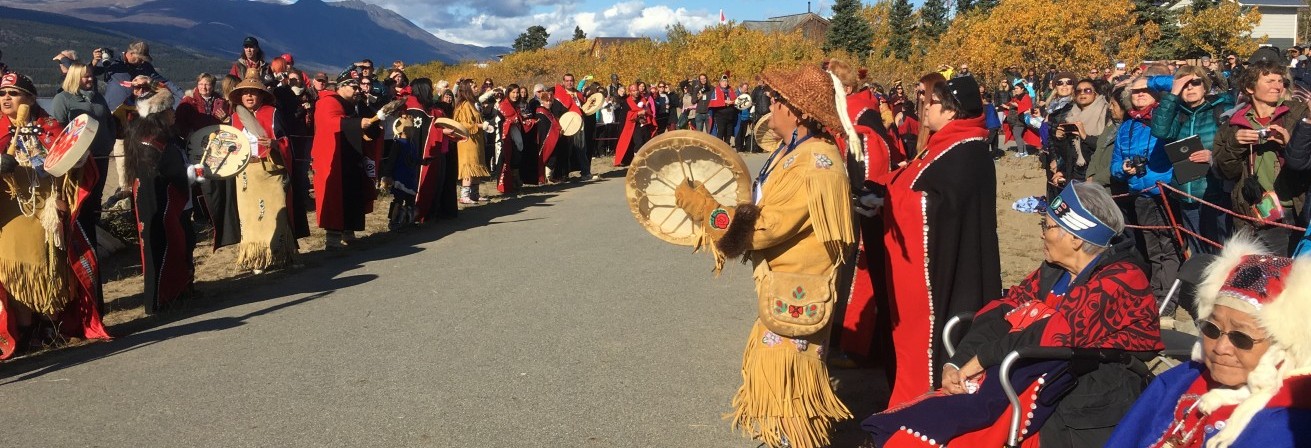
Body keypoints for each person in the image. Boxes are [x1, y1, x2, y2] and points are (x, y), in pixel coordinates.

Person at [864, 181, 1162, 448]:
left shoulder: (1122, 278)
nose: (1043, 235)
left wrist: (977, 362)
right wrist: (956, 363)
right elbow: (1001, 310)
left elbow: (1051, 334)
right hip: (1026, 374)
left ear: (1075, 239)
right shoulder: (1055, 272)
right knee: (922, 423)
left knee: (952, 432)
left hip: (1088, 395)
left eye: (1048, 226)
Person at [673, 63, 856, 448]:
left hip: (798, 291)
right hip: (784, 285)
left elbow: (766, 227)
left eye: (776, 100)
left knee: (790, 382)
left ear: (798, 111)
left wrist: (707, 210)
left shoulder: (815, 162)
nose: (769, 105)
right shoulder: (794, 153)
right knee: (778, 380)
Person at [1106, 236, 1311, 447]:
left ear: (1281, 348)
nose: (1221, 348)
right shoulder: (1179, 380)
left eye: (1241, 338)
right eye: (1211, 328)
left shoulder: (1292, 427)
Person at [879, 75, 1003, 409]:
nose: (924, 107)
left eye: (930, 101)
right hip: (947, 258)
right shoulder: (950, 144)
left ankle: (922, 405)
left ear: (950, 111)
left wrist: (893, 197)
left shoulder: (964, 151)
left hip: (950, 269)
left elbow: (935, 208)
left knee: (937, 341)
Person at [0, 72, 109, 359]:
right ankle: (23, 329)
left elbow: (72, 162)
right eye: (3, 94)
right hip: (10, 211)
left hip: (44, 209)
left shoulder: (49, 128)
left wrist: (66, 189)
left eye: (14, 93)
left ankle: (50, 325)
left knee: (47, 265)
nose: (7, 99)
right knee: (13, 271)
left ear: (31, 98)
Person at [1213, 58, 1310, 254]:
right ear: (1250, 88)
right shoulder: (1234, 123)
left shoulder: (1298, 114)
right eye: (1269, 81)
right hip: (1253, 211)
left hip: (1293, 209)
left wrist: (1289, 144)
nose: (1278, 86)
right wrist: (1235, 144)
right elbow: (1226, 173)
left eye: (1280, 80)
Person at [124, 86, 201, 313]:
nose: (174, 113)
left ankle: (175, 290)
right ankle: (165, 294)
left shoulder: (150, 134)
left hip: (157, 199)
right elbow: (168, 171)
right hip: (159, 201)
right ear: (160, 112)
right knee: (164, 243)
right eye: (169, 109)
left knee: (173, 242)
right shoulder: (153, 138)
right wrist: (193, 173)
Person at [1149, 66, 1236, 257]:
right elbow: (1160, 131)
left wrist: (1212, 156)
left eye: (1195, 82)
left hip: (1214, 193)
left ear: (1205, 86)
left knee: (1220, 251)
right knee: (1197, 252)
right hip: (1186, 194)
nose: (1189, 88)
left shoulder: (1222, 109)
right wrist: (1173, 94)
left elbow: (1234, 147)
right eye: (1184, 84)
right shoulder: (1178, 112)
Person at [225, 77, 297, 273]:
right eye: (245, 92)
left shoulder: (272, 114)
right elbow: (229, 146)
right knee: (250, 218)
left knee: (275, 214)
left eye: (253, 92)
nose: (249, 95)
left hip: (271, 171)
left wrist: (274, 144)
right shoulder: (234, 118)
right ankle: (256, 258)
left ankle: (279, 254)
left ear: (261, 95)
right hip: (246, 174)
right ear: (239, 96)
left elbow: (286, 141)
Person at [49, 62, 114, 268]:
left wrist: (109, 140)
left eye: (91, 76)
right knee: (81, 203)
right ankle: (80, 250)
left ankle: (96, 246)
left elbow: (109, 121)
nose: (90, 79)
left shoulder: (97, 97)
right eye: (86, 76)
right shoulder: (63, 99)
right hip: (79, 162)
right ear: (75, 77)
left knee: (96, 200)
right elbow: (58, 129)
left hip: (101, 157)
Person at [311, 76, 377, 249]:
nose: (357, 91)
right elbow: (330, 123)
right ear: (341, 87)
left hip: (349, 155)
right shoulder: (328, 102)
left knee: (352, 191)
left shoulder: (353, 104)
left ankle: (349, 231)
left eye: (358, 88)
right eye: (353, 87)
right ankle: (332, 238)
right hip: (332, 157)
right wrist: (357, 123)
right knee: (335, 195)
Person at [453, 81, 490, 203]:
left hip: (476, 140)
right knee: (469, 167)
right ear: (468, 89)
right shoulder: (464, 105)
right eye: (474, 87)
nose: (477, 88)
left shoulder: (473, 104)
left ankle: (474, 194)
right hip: (467, 141)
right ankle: (464, 196)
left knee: (476, 166)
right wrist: (481, 125)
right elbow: (463, 124)